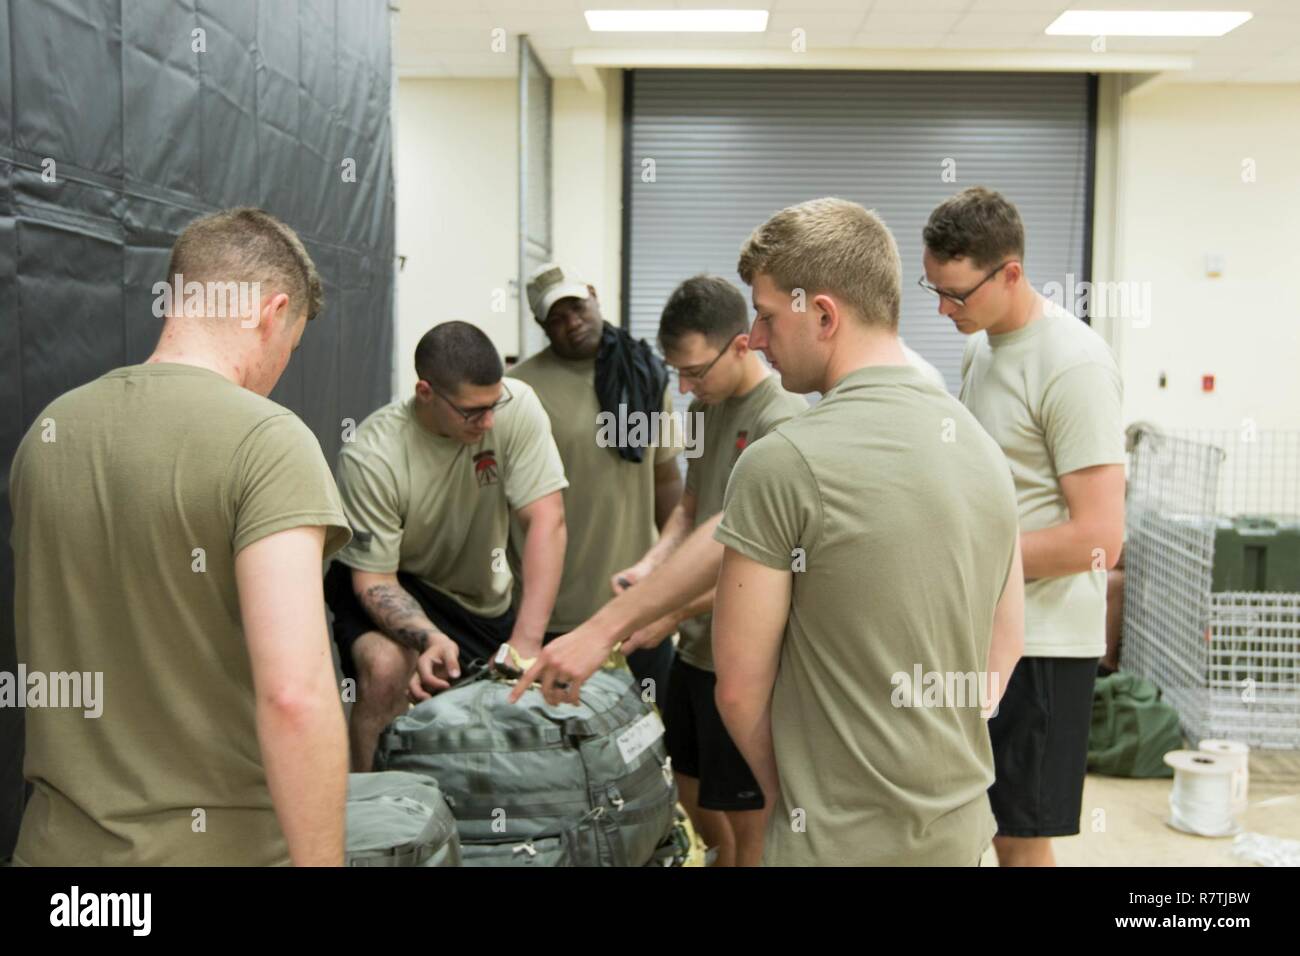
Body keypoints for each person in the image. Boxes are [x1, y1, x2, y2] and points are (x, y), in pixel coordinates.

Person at [520, 198, 1025, 867]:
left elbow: (738, 687)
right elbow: (1006, 644)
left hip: (831, 840)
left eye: (764, 313)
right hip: (959, 828)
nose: (754, 337)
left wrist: (798, 798)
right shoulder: (982, 448)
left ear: (822, 314)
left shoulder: (785, 459)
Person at [10, 208, 351, 865]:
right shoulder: (268, 442)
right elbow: (295, 695)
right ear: (270, 312)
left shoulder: (50, 433)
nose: (282, 365)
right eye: (293, 342)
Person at [922, 185, 1125, 867]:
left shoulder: (1074, 365)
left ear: (1010, 273)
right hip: (987, 627)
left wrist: (969, 561)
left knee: (1019, 834)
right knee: (979, 822)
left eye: (957, 294)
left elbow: (1099, 538)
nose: (945, 309)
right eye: (935, 291)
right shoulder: (983, 347)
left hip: (1044, 643)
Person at [602, 275, 807, 866]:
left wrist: (662, 610)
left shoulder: (782, 419)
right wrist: (648, 568)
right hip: (694, 653)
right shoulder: (706, 409)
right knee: (691, 795)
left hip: (747, 664)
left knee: (753, 832)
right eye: (677, 373)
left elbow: (761, 562)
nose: (686, 386)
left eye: (695, 370)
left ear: (742, 345)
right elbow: (690, 511)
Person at [324, 321, 567, 771]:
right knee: (385, 669)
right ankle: (374, 817)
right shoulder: (372, 456)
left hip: (478, 593)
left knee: (496, 698)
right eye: (473, 412)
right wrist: (428, 638)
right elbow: (375, 579)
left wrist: (527, 641)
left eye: (494, 405)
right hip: (393, 578)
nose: (489, 421)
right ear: (426, 392)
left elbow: (546, 519)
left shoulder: (517, 407)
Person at [507, 263, 682, 703]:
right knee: (565, 744)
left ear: (593, 295)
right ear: (542, 326)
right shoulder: (519, 390)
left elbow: (665, 478)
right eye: (557, 319)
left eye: (577, 307)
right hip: (557, 607)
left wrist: (675, 571)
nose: (572, 323)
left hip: (635, 600)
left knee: (645, 734)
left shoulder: (645, 374)